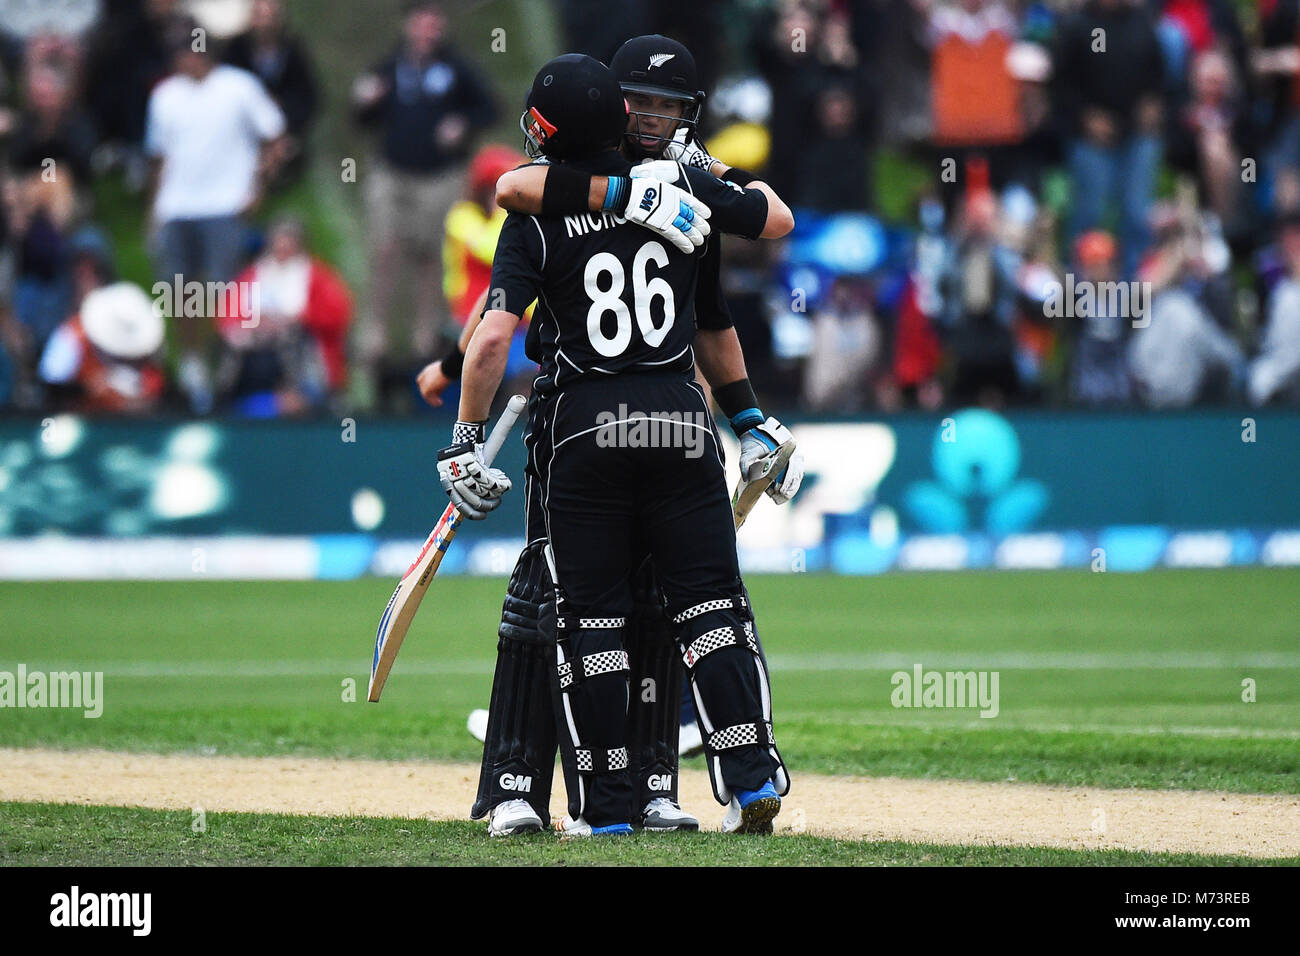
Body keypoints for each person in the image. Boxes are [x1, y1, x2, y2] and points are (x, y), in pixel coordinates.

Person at [423, 36, 803, 837]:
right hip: (677, 417)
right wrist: (742, 417)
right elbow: (718, 310)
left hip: (584, 425)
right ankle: (752, 775)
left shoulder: (544, 208)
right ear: (621, 112)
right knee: (711, 606)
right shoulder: (683, 203)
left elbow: (498, 317)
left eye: (673, 107)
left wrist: (463, 438)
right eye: (646, 104)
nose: (659, 117)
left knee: (587, 618)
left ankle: (606, 805)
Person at [351, 1, 497, 396]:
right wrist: (365, 100)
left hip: (440, 176)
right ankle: (374, 336)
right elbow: (361, 117)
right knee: (383, 249)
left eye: (435, 25)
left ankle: (424, 335)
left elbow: (488, 107)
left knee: (432, 256)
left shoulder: (456, 68)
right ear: (409, 26)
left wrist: (462, 124)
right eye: (421, 24)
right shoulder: (390, 66)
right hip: (392, 172)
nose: (428, 32)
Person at [145, 17, 288, 413]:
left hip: (224, 207)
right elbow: (158, 158)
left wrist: (258, 185)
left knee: (224, 292)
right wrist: (153, 211)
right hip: (177, 208)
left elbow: (276, 138)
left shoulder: (238, 87)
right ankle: (192, 368)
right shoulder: (164, 96)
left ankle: (226, 370)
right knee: (181, 293)